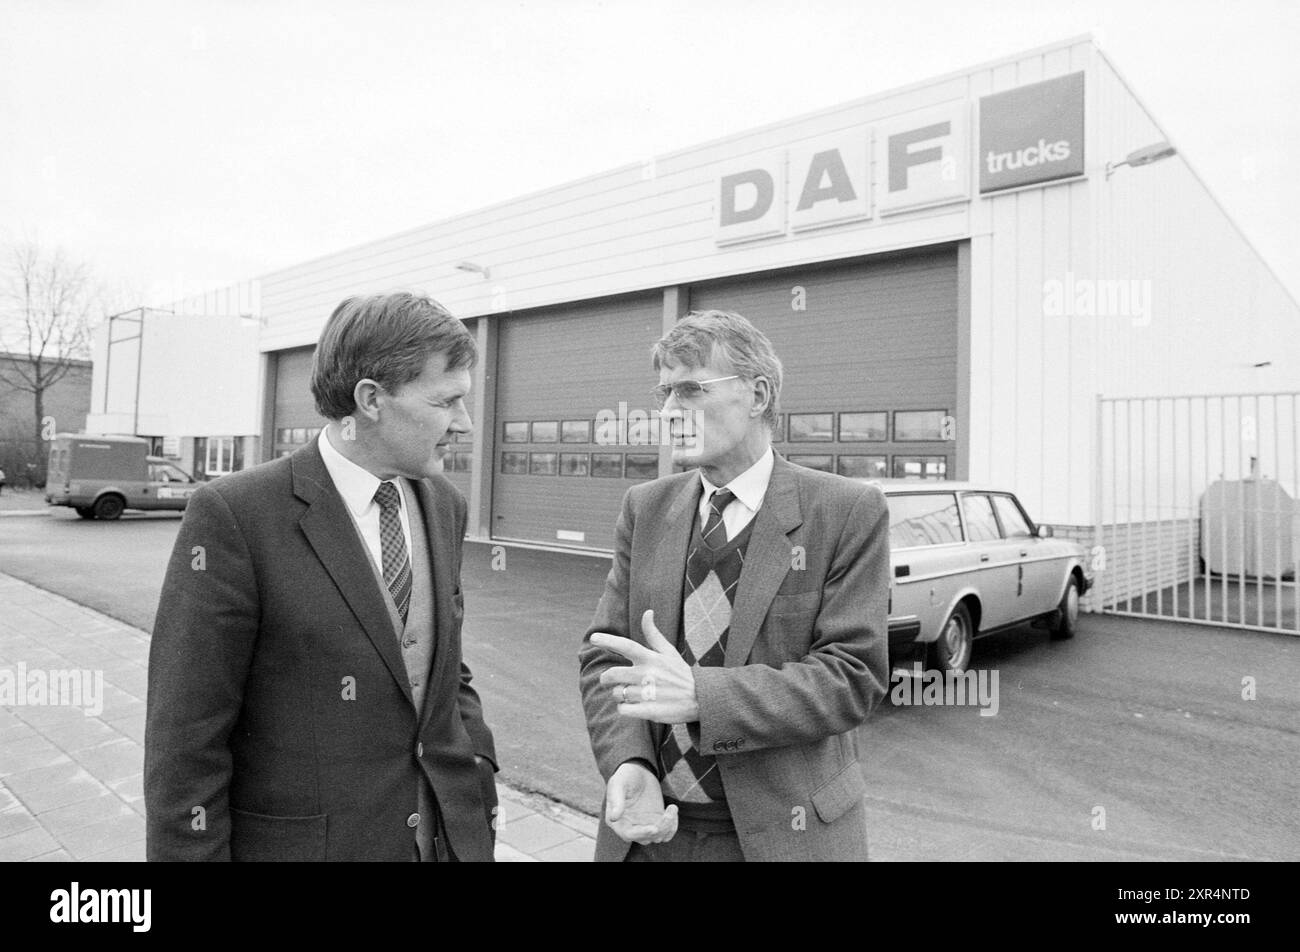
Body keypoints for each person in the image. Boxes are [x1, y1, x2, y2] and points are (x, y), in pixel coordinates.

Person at [145, 291, 499, 861]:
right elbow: (185, 736)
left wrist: (478, 764)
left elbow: (445, 671)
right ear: (371, 399)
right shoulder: (236, 514)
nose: (465, 423)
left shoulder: (444, 505)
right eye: (446, 401)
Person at [578, 309, 890, 862]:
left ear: (758, 395)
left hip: (780, 840)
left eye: (690, 390)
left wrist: (703, 696)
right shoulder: (646, 508)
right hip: (651, 835)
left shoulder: (845, 511)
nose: (669, 412)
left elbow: (852, 676)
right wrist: (630, 762)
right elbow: (606, 657)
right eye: (665, 393)